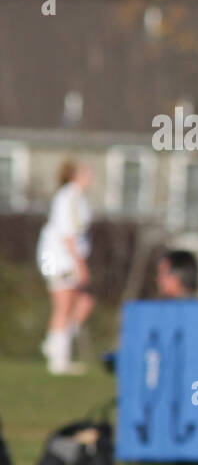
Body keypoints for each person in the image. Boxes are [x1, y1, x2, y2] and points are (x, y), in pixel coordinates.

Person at [37, 160, 95, 375]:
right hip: (58, 257)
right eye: (86, 172)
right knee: (64, 304)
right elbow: (67, 234)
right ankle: (58, 360)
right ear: (74, 176)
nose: (91, 177)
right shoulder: (67, 197)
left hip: (69, 257)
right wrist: (80, 264)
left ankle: (55, 343)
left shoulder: (78, 198)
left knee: (84, 302)